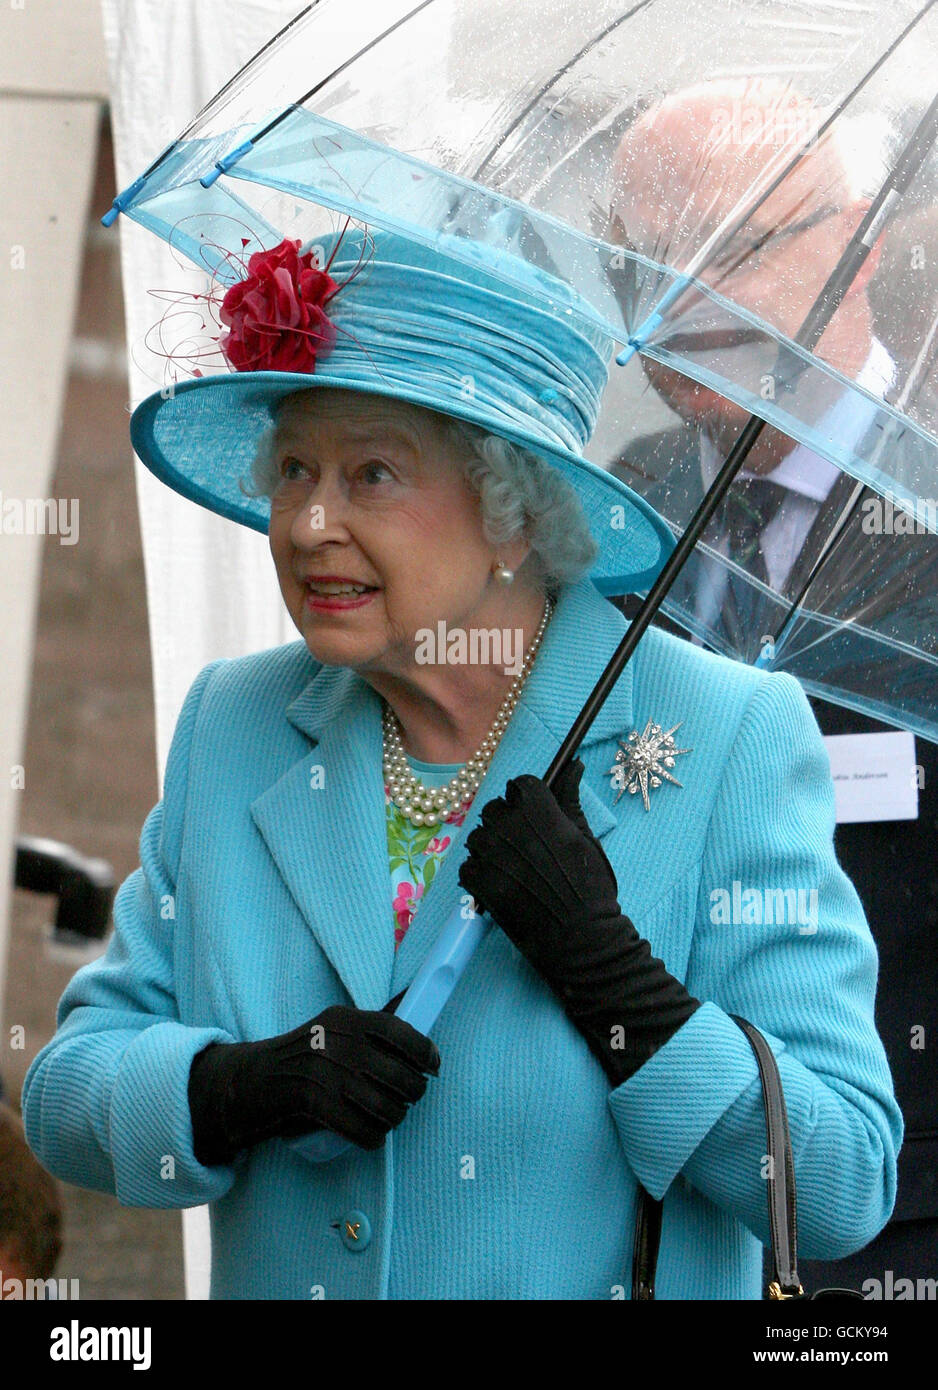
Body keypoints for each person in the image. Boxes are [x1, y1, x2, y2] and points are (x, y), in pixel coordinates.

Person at [21, 223, 901, 1299]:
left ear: (513, 511)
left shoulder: (723, 737)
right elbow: (69, 1095)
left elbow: (840, 1183)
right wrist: (233, 1089)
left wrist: (613, 978)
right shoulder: (236, 722)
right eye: (293, 467)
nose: (307, 524)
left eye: (371, 474)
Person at [606, 79, 937, 1290]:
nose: (671, 298)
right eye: (639, 255)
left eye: (725, 247)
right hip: (644, 1206)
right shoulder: (605, 514)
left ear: (856, 250)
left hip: (894, 1222)